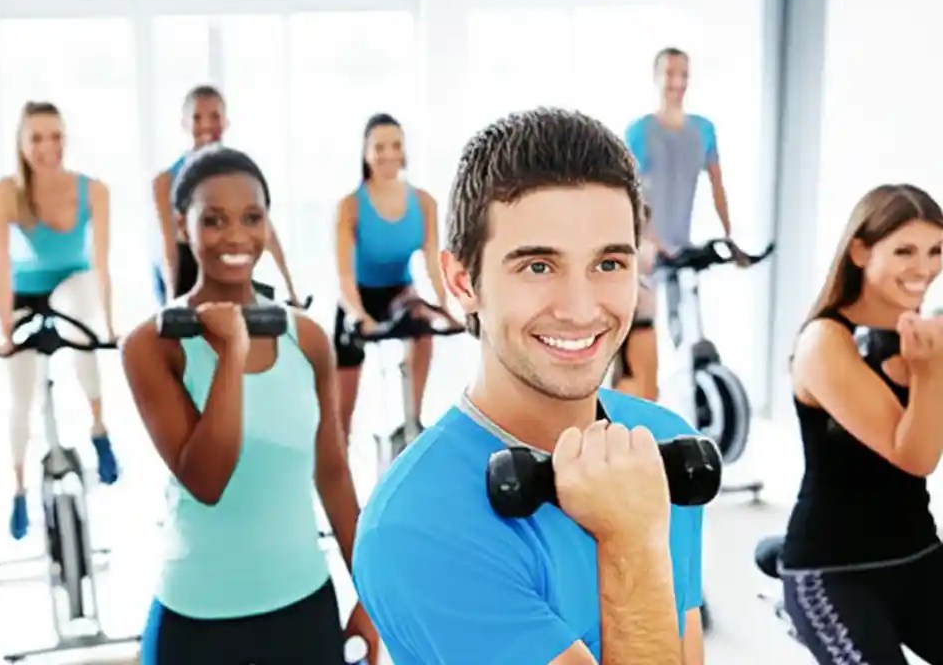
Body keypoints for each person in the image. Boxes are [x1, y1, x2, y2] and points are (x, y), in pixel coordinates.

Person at [352, 108, 705, 664]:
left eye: (609, 264)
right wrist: (631, 539)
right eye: (539, 266)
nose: (581, 308)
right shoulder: (415, 527)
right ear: (463, 281)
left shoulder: (659, 440)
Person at [122, 146, 379, 664]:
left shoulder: (306, 338)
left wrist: (371, 596)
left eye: (251, 217)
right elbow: (207, 479)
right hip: (196, 623)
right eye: (213, 220)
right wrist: (231, 354)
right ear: (180, 225)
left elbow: (331, 472)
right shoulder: (151, 345)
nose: (236, 236)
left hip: (302, 609)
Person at [778, 184, 943, 664]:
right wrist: (931, 374)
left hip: (918, 555)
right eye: (905, 251)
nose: (925, 268)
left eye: (936, 251)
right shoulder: (825, 341)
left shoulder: (919, 333)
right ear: (859, 251)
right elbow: (914, 457)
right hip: (834, 572)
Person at [0, 101, 119, 541]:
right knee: (20, 395)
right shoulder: (7, 191)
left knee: (77, 309)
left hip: (75, 287)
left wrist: (109, 326)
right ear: (22, 145)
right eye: (37, 138)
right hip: (27, 293)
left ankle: (99, 429)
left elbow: (102, 265)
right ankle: (19, 488)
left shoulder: (93, 190)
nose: (49, 147)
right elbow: (0, 262)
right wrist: (5, 329)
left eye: (56, 136)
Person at [616, 47, 743, 401]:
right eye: (670, 74)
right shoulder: (640, 131)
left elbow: (717, 184)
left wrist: (730, 237)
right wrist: (651, 240)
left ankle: (686, 404)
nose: (677, 82)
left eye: (683, 74)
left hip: (681, 244)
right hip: (646, 247)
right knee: (643, 341)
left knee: (685, 330)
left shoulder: (703, 130)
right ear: (656, 77)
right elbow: (631, 192)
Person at [333, 113, 458, 442]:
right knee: (339, 421)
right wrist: (359, 315)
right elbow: (344, 275)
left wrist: (445, 309)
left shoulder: (423, 202)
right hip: (358, 296)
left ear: (404, 151)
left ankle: (410, 424)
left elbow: (433, 264)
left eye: (395, 146)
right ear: (365, 153)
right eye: (379, 147)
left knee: (420, 321)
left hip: (399, 294)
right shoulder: (349, 206)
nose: (388, 154)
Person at [150, 85, 298, 304]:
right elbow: (168, 245)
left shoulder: (240, 172)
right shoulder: (165, 180)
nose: (207, 125)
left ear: (226, 121)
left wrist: (291, 289)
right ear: (184, 123)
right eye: (197, 118)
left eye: (215, 116)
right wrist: (171, 301)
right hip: (184, 266)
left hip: (226, 259)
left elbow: (268, 231)